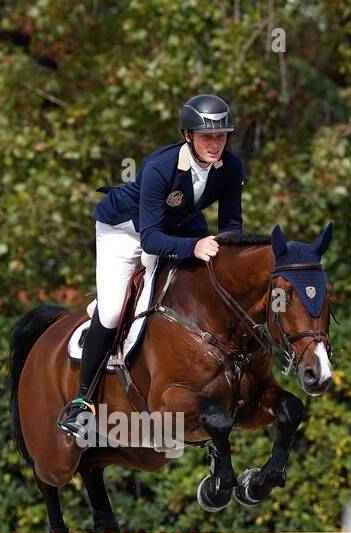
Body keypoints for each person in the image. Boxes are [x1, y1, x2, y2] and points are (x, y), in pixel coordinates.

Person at [56, 93, 246, 438]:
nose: (215, 144)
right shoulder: (161, 166)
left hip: (178, 225)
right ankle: (82, 401)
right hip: (126, 230)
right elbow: (151, 241)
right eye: (207, 137)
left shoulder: (231, 167)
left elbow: (232, 223)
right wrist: (195, 246)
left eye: (221, 136)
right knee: (113, 312)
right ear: (188, 136)